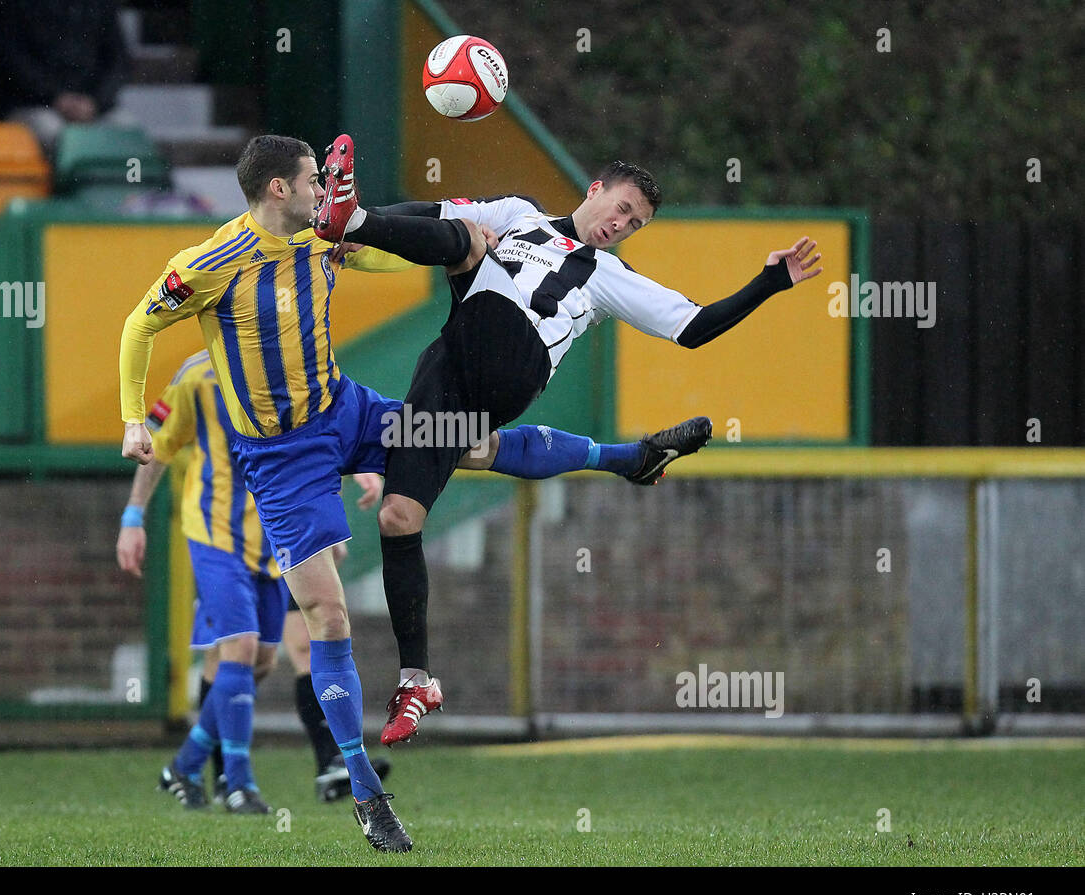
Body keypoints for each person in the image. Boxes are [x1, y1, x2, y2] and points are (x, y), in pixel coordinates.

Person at [119, 135, 707, 851]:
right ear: (279, 189)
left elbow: (376, 244)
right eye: (314, 182)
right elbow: (138, 324)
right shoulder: (206, 265)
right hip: (279, 457)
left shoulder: (318, 238)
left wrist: (453, 241)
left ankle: (627, 460)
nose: (321, 193)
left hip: (346, 410)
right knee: (328, 617)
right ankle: (365, 791)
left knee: (466, 441)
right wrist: (129, 419)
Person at [311, 137, 823, 746]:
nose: (622, 225)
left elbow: (695, 327)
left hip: (512, 367)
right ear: (595, 190)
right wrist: (358, 239)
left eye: (636, 223)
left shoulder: (610, 275)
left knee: (470, 242)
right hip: (449, 371)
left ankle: (354, 216)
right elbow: (432, 216)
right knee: (398, 517)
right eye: (622, 208)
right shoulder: (519, 216)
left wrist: (769, 283)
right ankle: (416, 679)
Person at [115, 350, 389, 809]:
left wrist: (352, 477)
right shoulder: (196, 376)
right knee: (240, 648)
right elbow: (157, 445)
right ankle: (238, 782)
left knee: (261, 661)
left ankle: (184, 765)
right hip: (214, 533)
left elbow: (326, 432)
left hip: (271, 540)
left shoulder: (296, 366)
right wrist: (132, 515)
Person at [0, 0, 130, 154]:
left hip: (92, 107)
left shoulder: (100, 4)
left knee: (126, 133)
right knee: (60, 137)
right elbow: (11, 60)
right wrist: (57, 97)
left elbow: (118, 62)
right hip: (32, 106)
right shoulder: (12, 4)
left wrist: (95, 102)